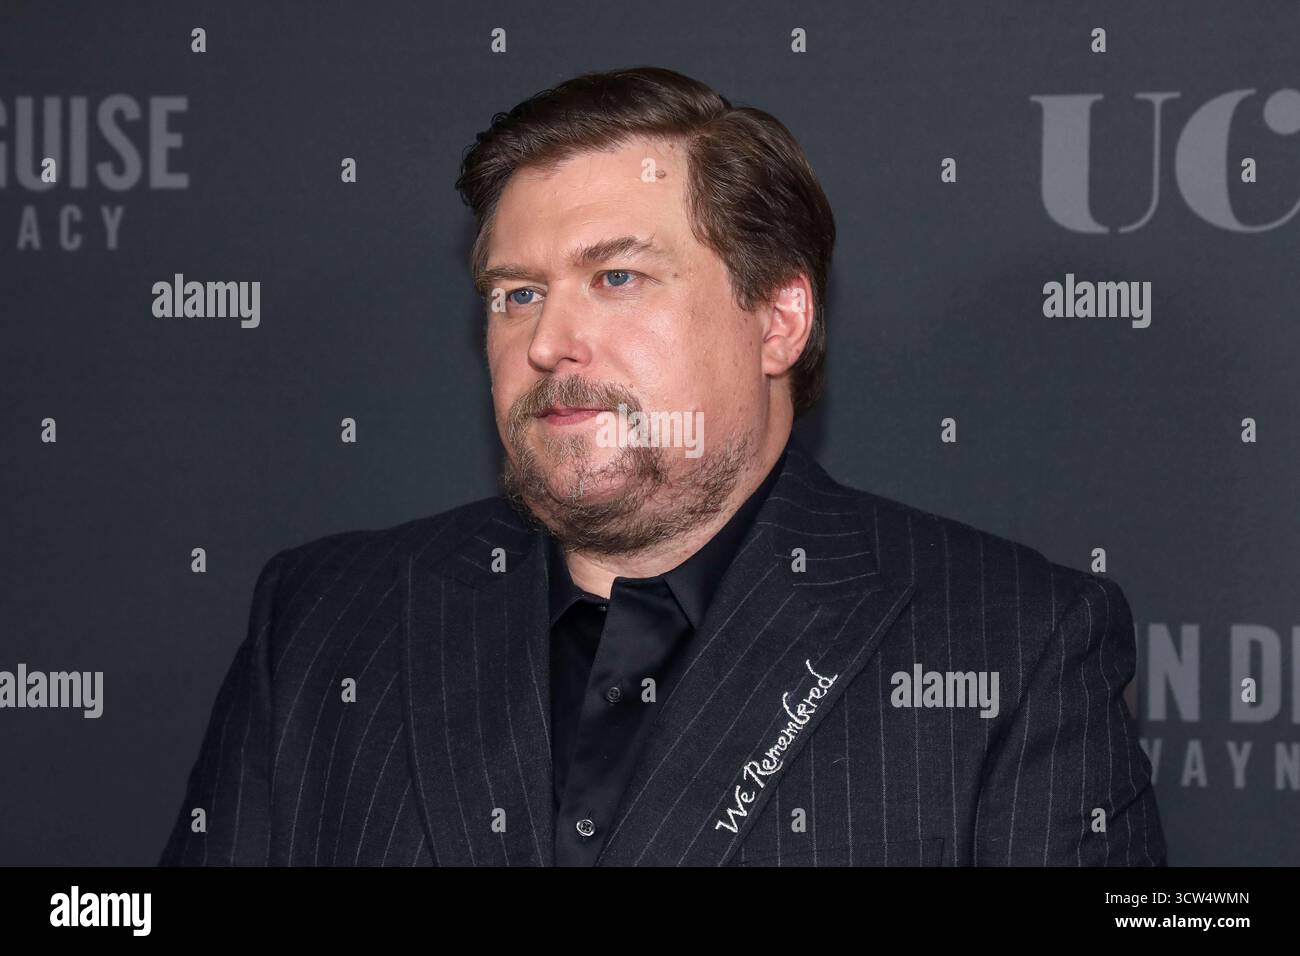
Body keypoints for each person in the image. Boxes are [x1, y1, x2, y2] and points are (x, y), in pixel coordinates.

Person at [158, 66, 1166, 867]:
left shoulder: (1014, 643)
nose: (550, 339)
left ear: (776, 319)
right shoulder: (323, 620)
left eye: (617, 277)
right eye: (515, 292)